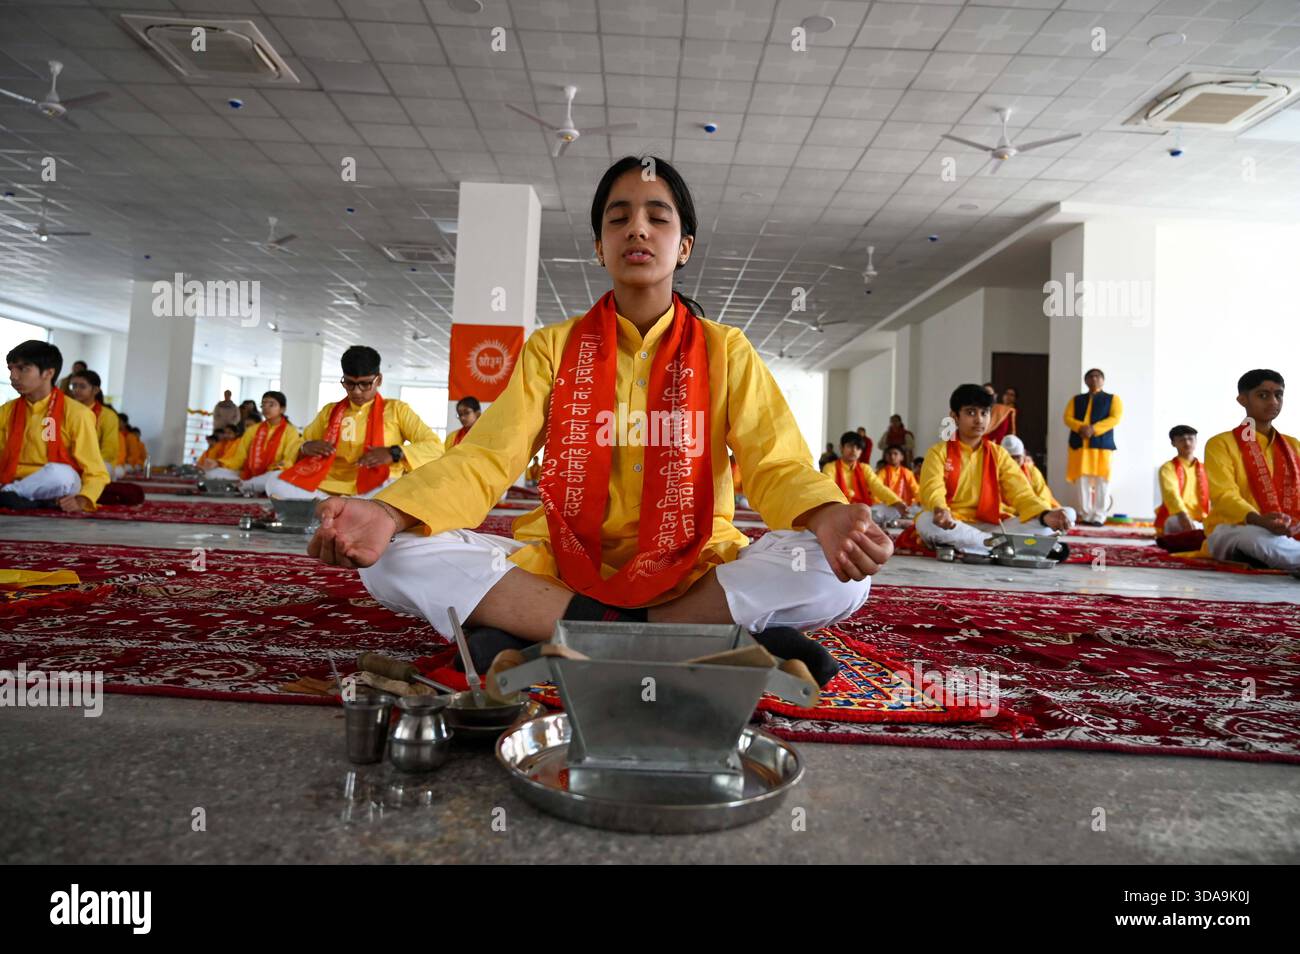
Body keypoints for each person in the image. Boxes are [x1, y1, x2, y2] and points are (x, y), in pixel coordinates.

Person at [305, 155, 893, 687]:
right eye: (619, 218)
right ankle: (684, 638)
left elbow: (776, 462)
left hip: (693, 567)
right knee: (393, 558)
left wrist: (827, 513)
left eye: (657, 217)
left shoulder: (724, 350)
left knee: (834, 570)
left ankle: (556, 633)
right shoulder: (552, 349)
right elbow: (485, 459)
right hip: (563, 566)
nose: (637, 228)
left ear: (683, 246)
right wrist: (386, 511)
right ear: (599, 246)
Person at [266, 346, 443, 501]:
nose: (357, 391)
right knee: (275, 482)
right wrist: (305, 447)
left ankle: (332, 510)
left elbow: (435, 446)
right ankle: (340, 508)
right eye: (349, 384)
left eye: (365, 384)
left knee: (402, 492)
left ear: (378, 380)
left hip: (377, 486)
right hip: (329, 485)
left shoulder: (397, 409)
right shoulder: (330, 411)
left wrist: (395, 452)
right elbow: (299, 442)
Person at [916, 384, 1070, 555]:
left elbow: (1021, 493)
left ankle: (984, 545)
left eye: (984, 413)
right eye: (971, 412)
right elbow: (933, 488)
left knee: (1050, 523)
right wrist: (940, 509)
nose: (979, 420)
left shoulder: (998, 454)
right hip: (951, 522)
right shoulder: (939, 452)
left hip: (992, 524)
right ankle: (1003, 546)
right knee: (926, 521)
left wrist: (1044, 515)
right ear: (955, 417)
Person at [1202, 370, 1300, 570]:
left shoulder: (1294, 446)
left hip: (1285, 530)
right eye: (1263, 395)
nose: (1273, 401)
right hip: (1234, 529)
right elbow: (1224, 495)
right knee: (1254, 538)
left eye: (1278, 395)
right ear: (1242, 399)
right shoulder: (1220, 444)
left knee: (1271, 542)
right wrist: (1259, 520)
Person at [0, 341, 108, 512]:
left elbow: (96, 471)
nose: (13, 376)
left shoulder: (77, 413)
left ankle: (10, 495)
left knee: (60, 474)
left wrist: (84, 498)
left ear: (48, 373)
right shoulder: (6, 411)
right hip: (10, 477)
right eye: (11, 368)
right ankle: (24, 498)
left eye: (22, 369)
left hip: (54, 482)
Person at [200, 391, 302, 495]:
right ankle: (248, 485)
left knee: (278, 476)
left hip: (270, 475)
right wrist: (218, 463)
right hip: (249, 475)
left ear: (282, 409)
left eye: (271, 404)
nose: (266, 407)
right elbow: (239, 458)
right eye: (264, 404)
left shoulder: (291, 431)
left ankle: (245, 486)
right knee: (211, 473)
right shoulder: (253, 430)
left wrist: (271, 469)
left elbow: (289, 460)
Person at [1064, 368, 1122, 526]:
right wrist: (1081, 427)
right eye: (1090, 376)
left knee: (1102, 480)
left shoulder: (1112, 399)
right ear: (1085, 380)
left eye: (1097, 376)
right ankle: (1086, 514)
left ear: (1103, 380)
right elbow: (1067, 418)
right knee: (1082, 480)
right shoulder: (1076, 399)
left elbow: (1115, 418)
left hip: (1102, 447)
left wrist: (1093, 429)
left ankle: (1099, 515)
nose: (1094, 379)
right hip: (1080, 446)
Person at [822, 431, 907, 526]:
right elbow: (829, 490)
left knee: (892, 510)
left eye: (858, 448)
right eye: (850, 446)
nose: (854, 450)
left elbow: (878, 487)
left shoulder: (864, 468)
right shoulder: (830, 467)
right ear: (841, 447)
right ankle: (860, 521)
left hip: (863, 509)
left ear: (861, 452)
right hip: (841, 510)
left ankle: (860, 520)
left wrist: (897, 501)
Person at [1000, 434, 1075, 526]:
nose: (1014, 462)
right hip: (1011, 516)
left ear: (1024, 456)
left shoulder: (1032, 471)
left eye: (1017, 457)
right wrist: (1019, 512)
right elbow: (996, 504)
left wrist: (1041, 513)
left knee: (1070, 513)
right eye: (1010, 458)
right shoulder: (996, 473)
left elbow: (1043, 495)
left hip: (1036, 512)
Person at [1155, 425, 1209, 535]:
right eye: (1181, 440)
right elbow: (1171, 494)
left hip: (1203, 518)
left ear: (1196, 441)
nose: (1187, 443)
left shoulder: (1206, 468)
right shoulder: (1167, 468)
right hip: (1177, 516)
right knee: (1174, 523)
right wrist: (1183, 516)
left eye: (1190, 438)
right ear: (1173, 443)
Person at [66, 370, 120, 475]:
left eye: (82, 386)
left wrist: (88, 462)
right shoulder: (67, 411)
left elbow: (109, 449)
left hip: (99, 461)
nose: (76, 390)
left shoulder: (108, 415)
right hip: (70, 460)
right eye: (74, 386)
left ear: (95, 390)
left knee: (100, 469)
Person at [877, 443, 919, 508]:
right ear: (886, 457)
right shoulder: (882, 472)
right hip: (887, 507)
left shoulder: (907, 473)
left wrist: (917, 502)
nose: (892, 456)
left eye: (895, 454)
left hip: (906, 506)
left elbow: (916, 491)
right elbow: (877, 490)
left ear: (902, 457)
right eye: (889, 454)